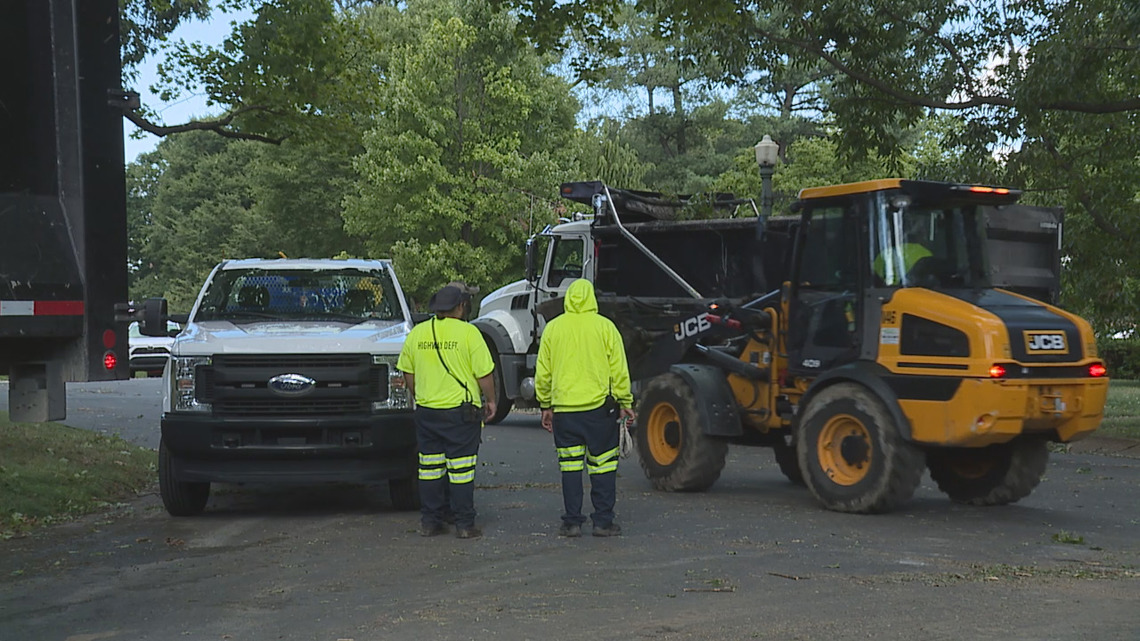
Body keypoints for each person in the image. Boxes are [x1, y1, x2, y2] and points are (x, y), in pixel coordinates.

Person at [536, 279, 635, 538]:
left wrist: (545, 405)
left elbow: (543, 373)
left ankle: (572, 523)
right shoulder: (606, 327)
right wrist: (625, 402)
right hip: (599, 411)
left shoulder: (553, 329)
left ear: (568, 299)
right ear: (592, 299)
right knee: (602, 468)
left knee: (570, 468)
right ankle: (603, 522)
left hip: (565, 412)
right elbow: (619, 370)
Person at [397, 282, 495, 539]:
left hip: (427, 412)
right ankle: (464, 524)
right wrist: (491, 400)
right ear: (461, 306)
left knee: (430, 469)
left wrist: (419, 395)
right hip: (460, 414)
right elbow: (484, 373)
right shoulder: (469, 333)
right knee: (461, 471)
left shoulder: (418, 333)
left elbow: (407, 371)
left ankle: (430, 522)